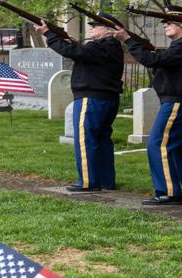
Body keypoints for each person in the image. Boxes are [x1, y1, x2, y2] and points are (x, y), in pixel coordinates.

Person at [126, 7, 182, 205]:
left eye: (168, 21)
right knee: (179, 143)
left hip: (177, 100)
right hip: (178, 99)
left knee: (158, 144)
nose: (164, 24)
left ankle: (168, 192)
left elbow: (152, 60)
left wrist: (128, 40)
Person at [40, 13, 126, 193]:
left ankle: (88, 181)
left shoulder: (102, 46)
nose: (91, 28)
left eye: (96, 25)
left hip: (92, 99)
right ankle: (105, 180)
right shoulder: (110, 47)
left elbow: (72, 51)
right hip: (106, 98)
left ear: (109, 30)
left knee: (86, 140)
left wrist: (49, 34)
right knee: (101, 139)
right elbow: (81, 52)